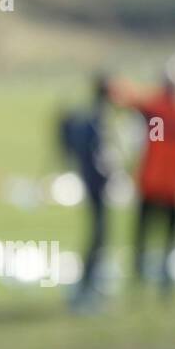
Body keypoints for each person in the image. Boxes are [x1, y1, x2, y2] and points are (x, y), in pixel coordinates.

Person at [109, 55, 175, 300]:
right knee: (145, 237)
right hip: (153, 183)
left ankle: (164, 282)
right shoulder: (160, 108)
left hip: (170, 186)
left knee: (167, 239)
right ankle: (142, 280)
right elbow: (130, 101)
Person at [58, 73, 114, 312]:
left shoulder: (90, 117)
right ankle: (87, 286)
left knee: (99, 236)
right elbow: (97, 155)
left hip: (91, 184)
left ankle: (91, 283)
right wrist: (109, 173)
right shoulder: (96, 119)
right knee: (98, 236)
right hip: (96, 186)